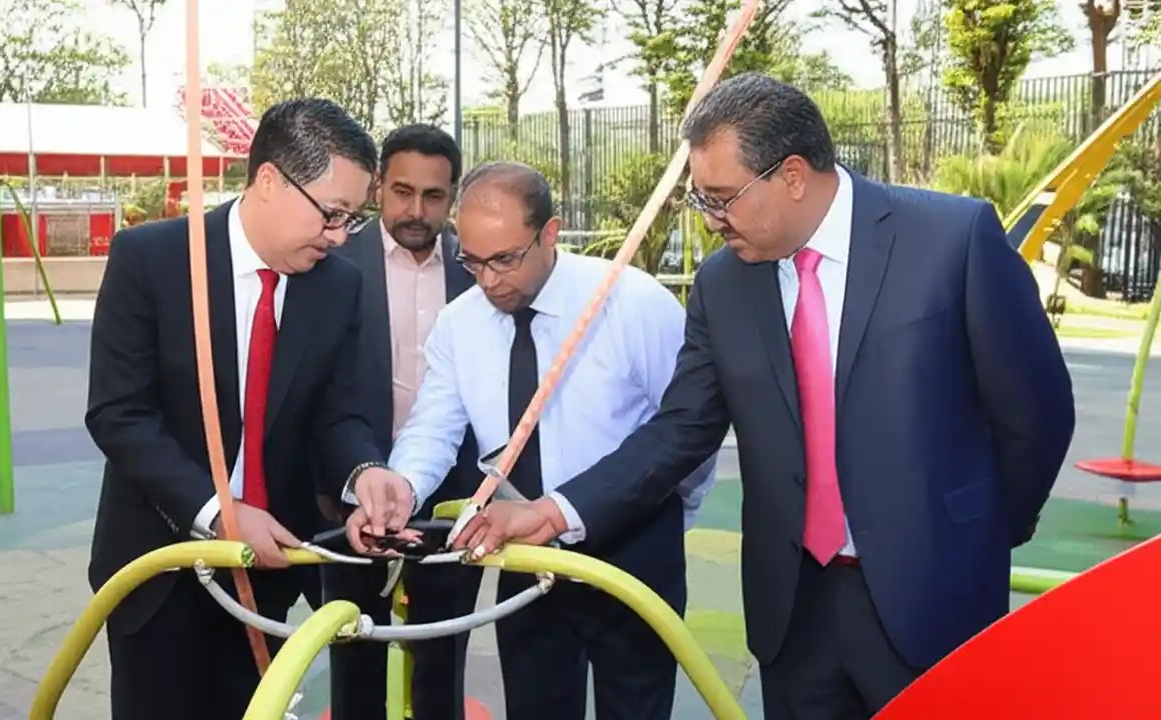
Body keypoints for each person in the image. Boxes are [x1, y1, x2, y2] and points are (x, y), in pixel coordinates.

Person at [449, 73, 1077, 718]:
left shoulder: (951, 240)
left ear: (794, 176)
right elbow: (679, 430)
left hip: (934, 597)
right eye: (702, 199)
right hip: (794, 609)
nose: (711, 219)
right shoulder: (724, 285)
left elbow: (1036, 412)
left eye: (722, 198)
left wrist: (986, 529)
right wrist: (552, 512)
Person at [341, 161, 717, 720]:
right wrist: (403, 486)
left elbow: (689, 432)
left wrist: (666, 517)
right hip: (521, 546)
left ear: (550, 233)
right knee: (536, 703)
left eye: (505, 259)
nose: (488, 279)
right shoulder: (459, 322)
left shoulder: (633, 303)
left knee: (636, 705)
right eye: (472, 260)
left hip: (633, 543)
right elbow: (435, 426)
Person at [85, 97, 408, 719]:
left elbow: (335, 415)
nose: (340, 236)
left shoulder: (338, 285)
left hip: (269, 570)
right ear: (269, 180)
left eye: (353, 219)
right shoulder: (153, 261)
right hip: (158, 568)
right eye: (333, 213)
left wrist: (365, 472)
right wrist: (219, 512)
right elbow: (119, 415)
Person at [318, 123, 482, 720]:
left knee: (443, 657)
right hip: (349, 500)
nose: (417, 210)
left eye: (435, 196)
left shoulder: (478, 267)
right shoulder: (332, 262)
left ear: (453, 195)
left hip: (452, 503)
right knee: (354, 650)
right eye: (403, 191)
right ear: (379, 186)